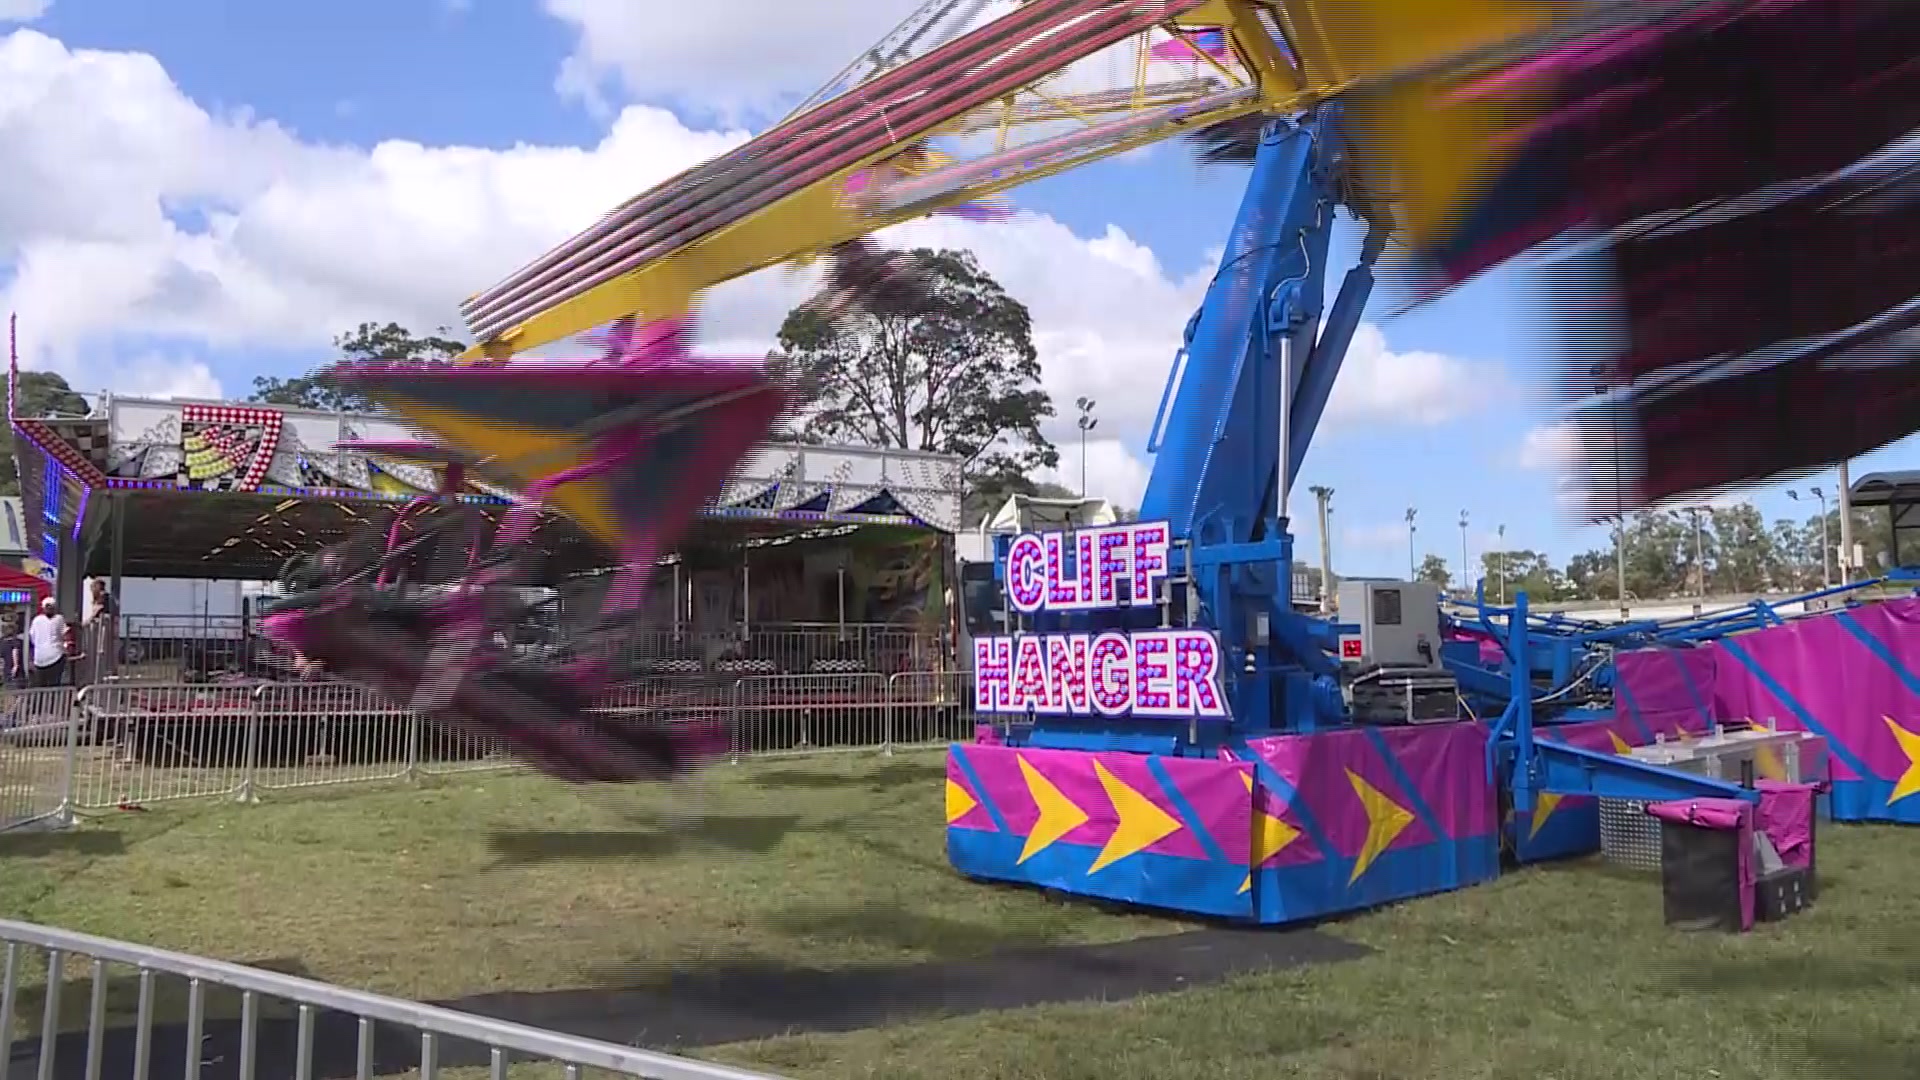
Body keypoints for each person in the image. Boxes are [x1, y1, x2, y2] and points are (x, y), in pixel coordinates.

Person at [28, 597, 69, 688]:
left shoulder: (36, 620)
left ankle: (42, 702)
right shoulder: (59, 618)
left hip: (39, 658)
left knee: (40, 686)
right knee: (54, 684)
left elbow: (32, 637)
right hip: (56, 655)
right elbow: (64, 634)